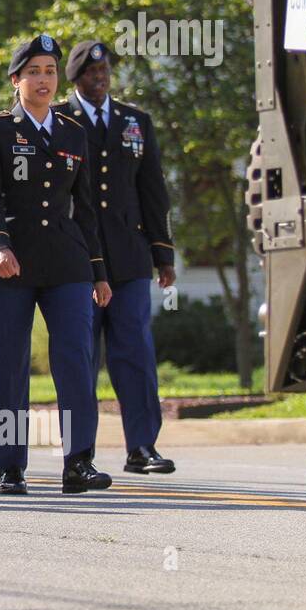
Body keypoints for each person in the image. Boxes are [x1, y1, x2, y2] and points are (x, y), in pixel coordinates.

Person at [0, 34, 113, 495]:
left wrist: (98, 271)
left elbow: (86, 208)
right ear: (16, 80)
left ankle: (79, 462)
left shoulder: (73, 132)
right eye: (34, 71)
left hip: (66, 261)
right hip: (9, 263)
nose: (44, 79)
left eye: (50, 71)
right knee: (8, 365)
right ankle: (10, 465)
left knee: (75, 359)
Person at [55, 39, 176, 475]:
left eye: (105, 72)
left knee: (135, 353)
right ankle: (80, 453)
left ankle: (142, 446)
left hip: (127, 258)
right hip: (77, 260)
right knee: (79, 358)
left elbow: (153, 190)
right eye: (92, 73)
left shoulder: (135, 121)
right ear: (75, 78)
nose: (101, 78)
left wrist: (162, 252)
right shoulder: (58, 120)